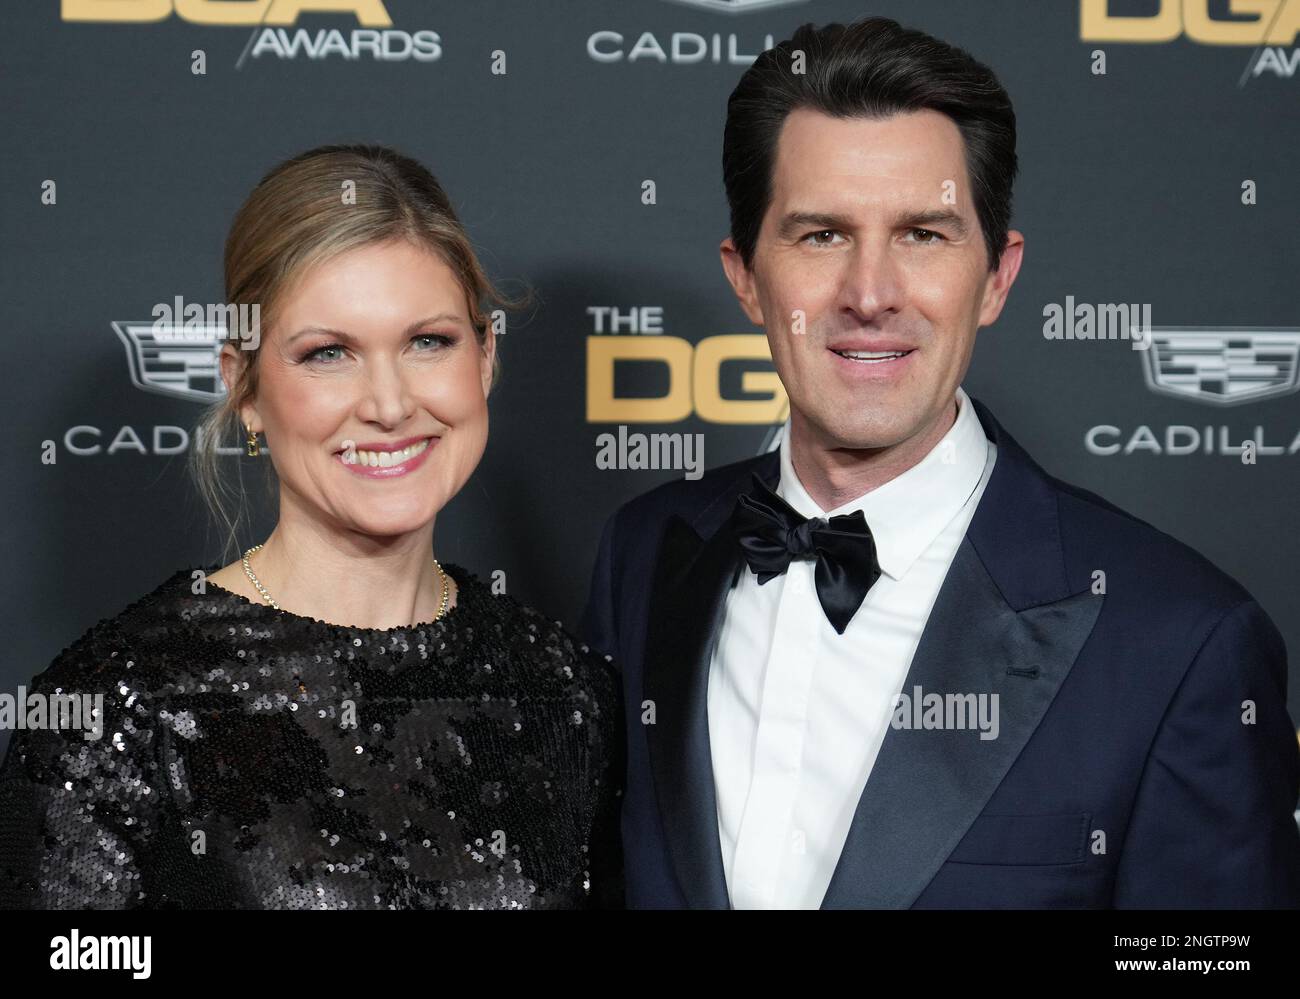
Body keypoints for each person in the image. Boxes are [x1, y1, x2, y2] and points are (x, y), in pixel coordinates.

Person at [581, 17, 1300, 909]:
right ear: (746, 275)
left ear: (998, 275)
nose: (870, 294)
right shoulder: (643, 556)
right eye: (820, 236)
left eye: (924, 234)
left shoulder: (1180, 642)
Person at [0, 144, 623, 910]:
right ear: (246, 389)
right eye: (328, 354)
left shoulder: (567, 691)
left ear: (486, 355)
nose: (389, 404)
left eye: (428, 341)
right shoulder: (121, 704)